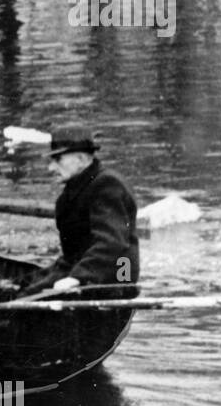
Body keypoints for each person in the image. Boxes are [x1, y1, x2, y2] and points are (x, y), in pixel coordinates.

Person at [25, 126, 139, 295]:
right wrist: (36, 280)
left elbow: (112, 243)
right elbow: (72, 255)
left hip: (115, 281)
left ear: (80, 158)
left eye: (58, 160)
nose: (51, 168)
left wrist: (77, 278)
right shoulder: (72, 193)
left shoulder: (107, 185)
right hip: (85, 273)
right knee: (21, 289)